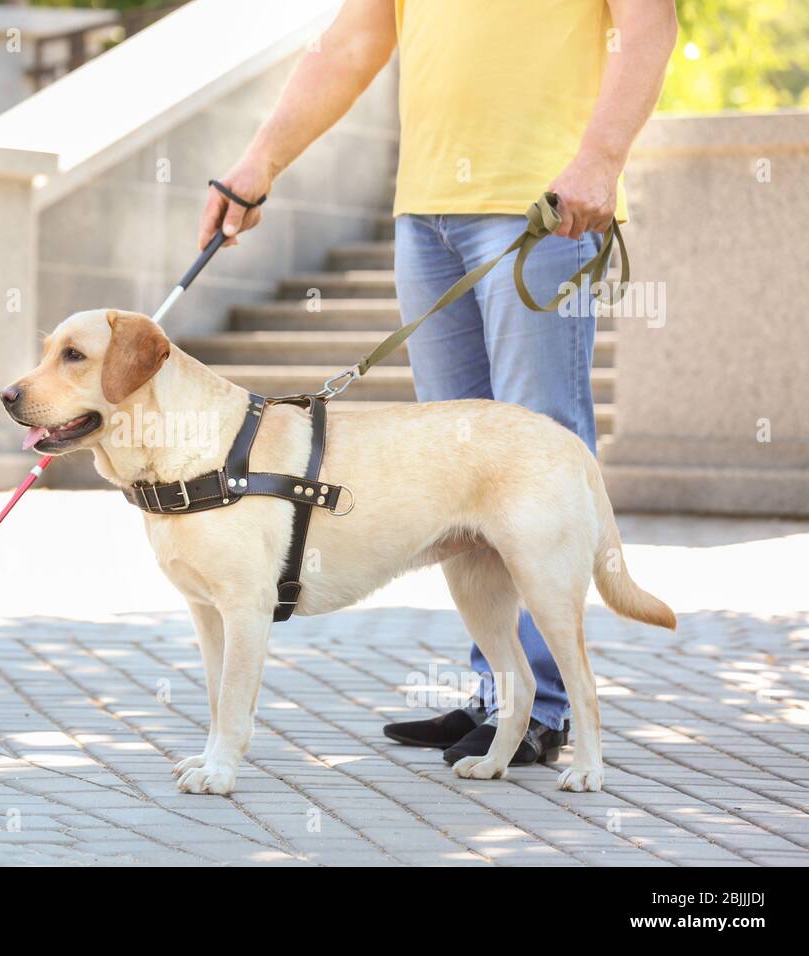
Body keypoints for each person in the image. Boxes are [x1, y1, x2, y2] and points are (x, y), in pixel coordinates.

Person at [199, 0, 677, 765]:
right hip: (426, 218)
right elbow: (353, 41)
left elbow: (651, 26)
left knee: (537, 452)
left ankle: (546, 709)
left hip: (545, 210)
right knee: (458, 474)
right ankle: (503, 697)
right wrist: (260, 162)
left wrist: (602, 157)